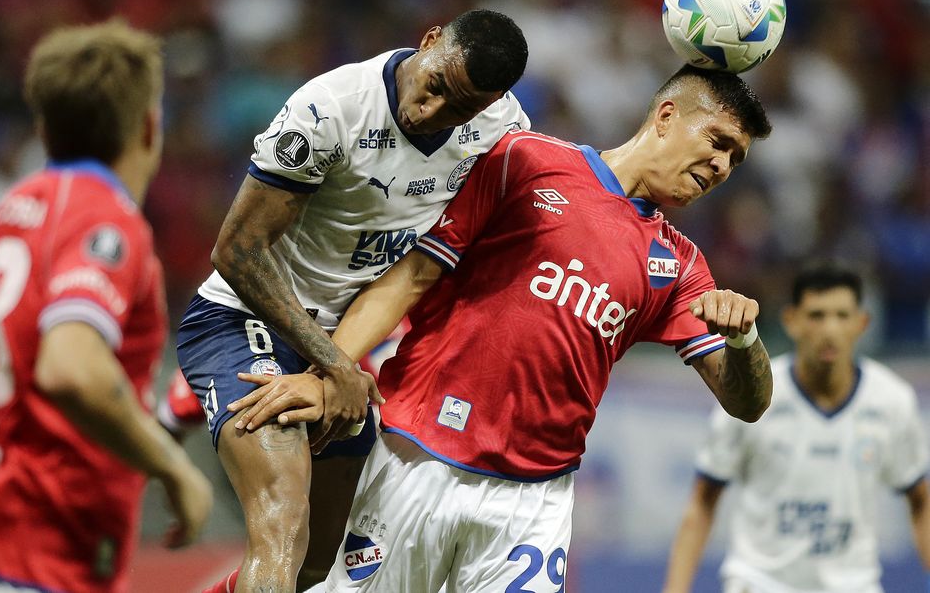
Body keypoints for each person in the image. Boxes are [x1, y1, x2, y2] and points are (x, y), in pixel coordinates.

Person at [233, 64, 776, 591]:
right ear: (665, 116)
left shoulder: (679, 265)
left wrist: (744, 339)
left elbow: (746, 402)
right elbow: (413, 276)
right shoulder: (528, 160)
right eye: (717, 140)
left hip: (534, 499)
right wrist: (328, 368)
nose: (723, 165)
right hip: (420, 456)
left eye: (736, 158)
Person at [177, 8, 530, 591]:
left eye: (460, 107)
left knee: (326, 561)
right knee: (284, 523)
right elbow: (236, 251)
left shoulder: (500, 125)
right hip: (243, 322)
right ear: (429, 39)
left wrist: (340, 362)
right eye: (434, 86)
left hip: (343, 348)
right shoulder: (330, 108)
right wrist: (337, 364)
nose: (431, 112)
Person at [0, 19, 213, 593]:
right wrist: (172, 466)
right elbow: (73, 369)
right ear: (149, 127)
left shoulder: (15, 205)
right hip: (39, 558)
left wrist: (1, 398)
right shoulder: (107, 221)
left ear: (46, 126)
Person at [662, 263, 930, 593]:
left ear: (862, 323)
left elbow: (921, 501)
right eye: (817, 315)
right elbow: (702, 502)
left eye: (842, 316)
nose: (830, 329)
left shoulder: (892, 401)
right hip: (760, 583)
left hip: (853, 584)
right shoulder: (751, 396)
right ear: (792, 320)